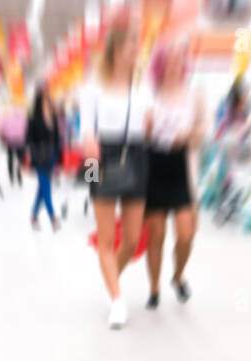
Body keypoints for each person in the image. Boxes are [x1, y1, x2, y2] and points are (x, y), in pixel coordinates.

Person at [80, 25, 152, 330]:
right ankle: (118, 299)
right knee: (106, 236)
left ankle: (111, 279)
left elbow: (148, 129)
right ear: (115, 49)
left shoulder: (143, 87)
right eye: (131, 43)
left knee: (133, 237)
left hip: (136, 156)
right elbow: (84, 130)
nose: (136, 49)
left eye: (138, 44)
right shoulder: (92, 86)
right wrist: (90, 160)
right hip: (99, 158)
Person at [143, 40, 205, 308]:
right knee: (155, 236)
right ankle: (154, 289)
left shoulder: (193, 95)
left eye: (179, 60)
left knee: (186, 232)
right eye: (169, 60)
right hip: (154, 165)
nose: (174, 65)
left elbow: (203, 129)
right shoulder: (148, 94)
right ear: (160, 65)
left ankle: (178, 277)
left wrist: (189, 135)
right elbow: (137, 134)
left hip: (181, 166)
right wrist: (146, 130)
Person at [25, 84, 62, 231]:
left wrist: (58, 157)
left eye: (49, 95)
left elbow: (57, 138)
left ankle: (33, 215)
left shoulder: (53, 115)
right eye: (46, 95)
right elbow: (29, 138)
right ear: (40, 98)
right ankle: (53, 218)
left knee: (42, 188)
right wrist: (30, 155)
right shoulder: (34, 116)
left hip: (51, 155)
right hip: (40, 156)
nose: (48, 98)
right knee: (46, 188)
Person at [0, 106, 27, 187]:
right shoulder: (23, 120)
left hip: (10, 142)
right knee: (20, 160)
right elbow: (26, 130)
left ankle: (11, 177)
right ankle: (19, 177)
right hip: (20, 142)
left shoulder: (7, 120)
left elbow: (2, 130)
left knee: (10, 159)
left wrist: (5, 139)